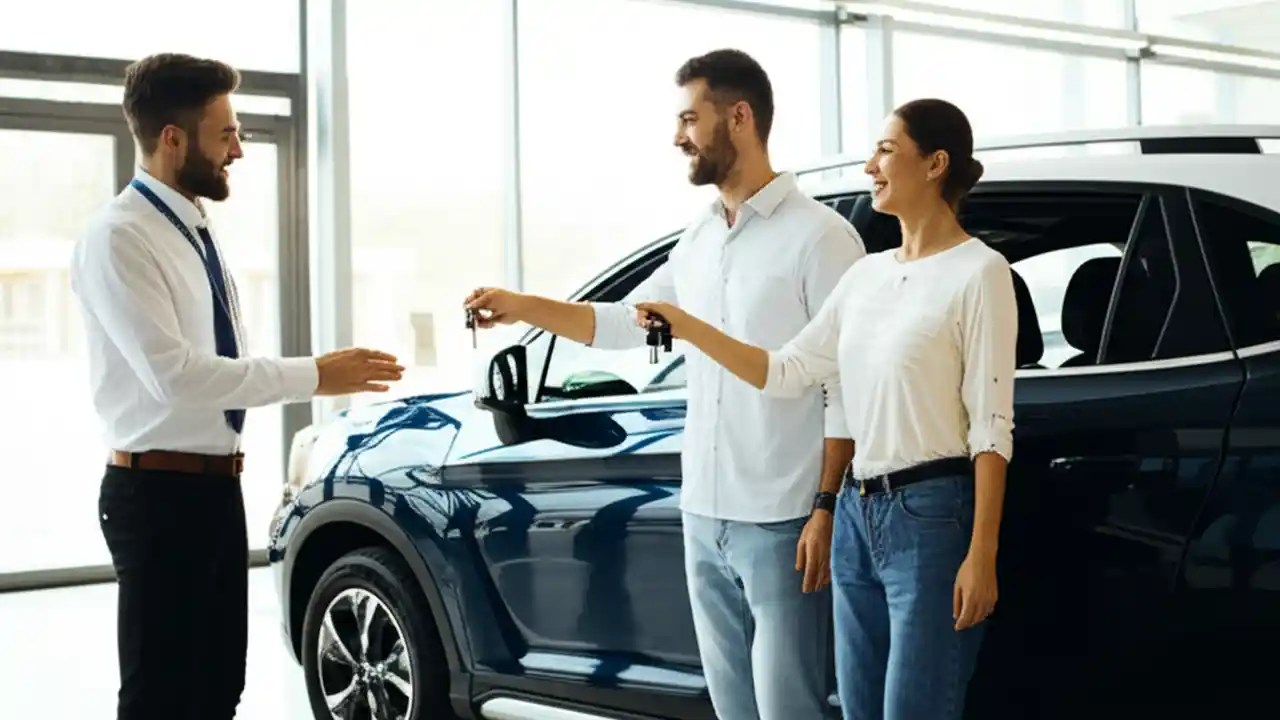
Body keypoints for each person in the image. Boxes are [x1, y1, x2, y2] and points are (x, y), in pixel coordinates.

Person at [466, 49, 864, 719]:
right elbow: (626, 323)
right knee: (732, 706)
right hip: (703, 510)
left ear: (738, 117)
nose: (678, 136)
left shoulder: (822, 239)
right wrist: (521, 305)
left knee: (788, 706)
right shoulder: (701, 236)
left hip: (784, 513)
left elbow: (844, 388)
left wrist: (826, 507)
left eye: (689, 118)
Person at [633, 98, 1016, 720]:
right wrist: (688, 327)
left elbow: (991, 428)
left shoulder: (979, 272)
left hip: (932, 516)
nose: (871, 165)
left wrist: (982, 554)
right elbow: (784, 371)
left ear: (935, 164)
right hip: (857, 518)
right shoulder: (865, 276)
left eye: (887, 150)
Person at [69, 53, 404, 720]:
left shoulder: (192, 227)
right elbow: (177, 377)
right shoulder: (119, 238)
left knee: (219, 687)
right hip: (156, 496)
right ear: (173, 139)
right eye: (226, 133)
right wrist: (315, 374)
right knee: (161, 698)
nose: (239, 150)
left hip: (213, 489)